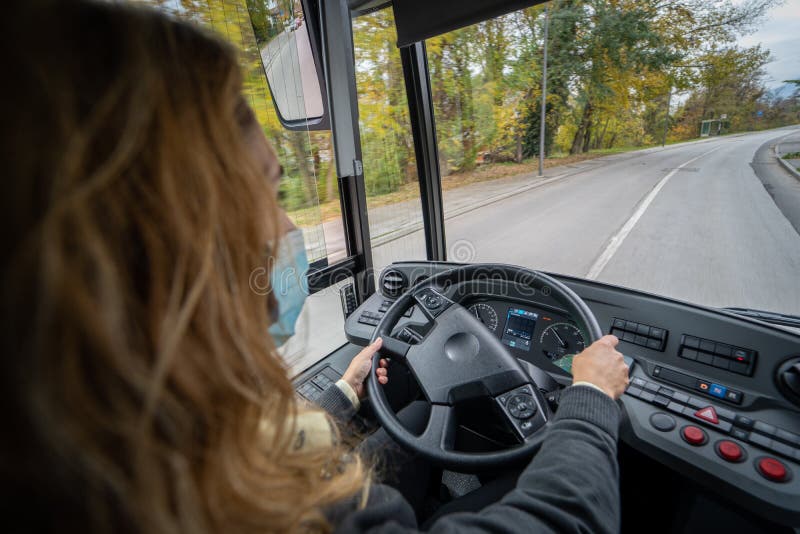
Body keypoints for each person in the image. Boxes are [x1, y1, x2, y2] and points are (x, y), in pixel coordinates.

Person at [0, 2, 629, 533]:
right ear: (168, 254)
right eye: (269, 194)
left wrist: (347, 390)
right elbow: (564, 518)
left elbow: (255, 448)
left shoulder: (123, 447)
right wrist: (590, 398)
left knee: (412, 420)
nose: (290, 229)